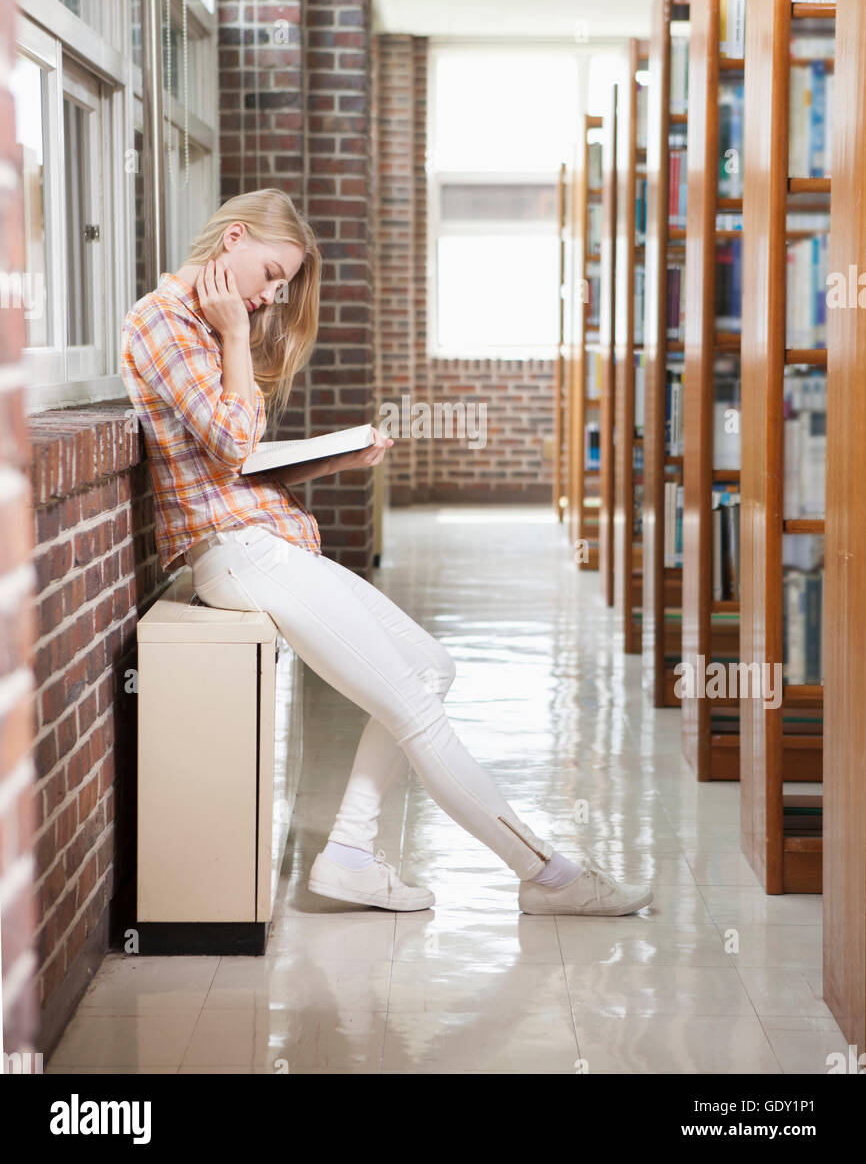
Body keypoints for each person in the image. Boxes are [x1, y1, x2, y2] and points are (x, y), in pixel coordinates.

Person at [120, 187, 653, 918]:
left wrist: (330, 461)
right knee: (416, 709)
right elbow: (231, 441)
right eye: (273, 273)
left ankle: (347, 856)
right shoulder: (163, 321)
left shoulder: (200, 324)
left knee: (433, 668)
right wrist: (236, 340)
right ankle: (548, 875)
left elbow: (230, 462)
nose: (272, 295)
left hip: (264, 543)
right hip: (238, 554)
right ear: (234, 238)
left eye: (282, 284)